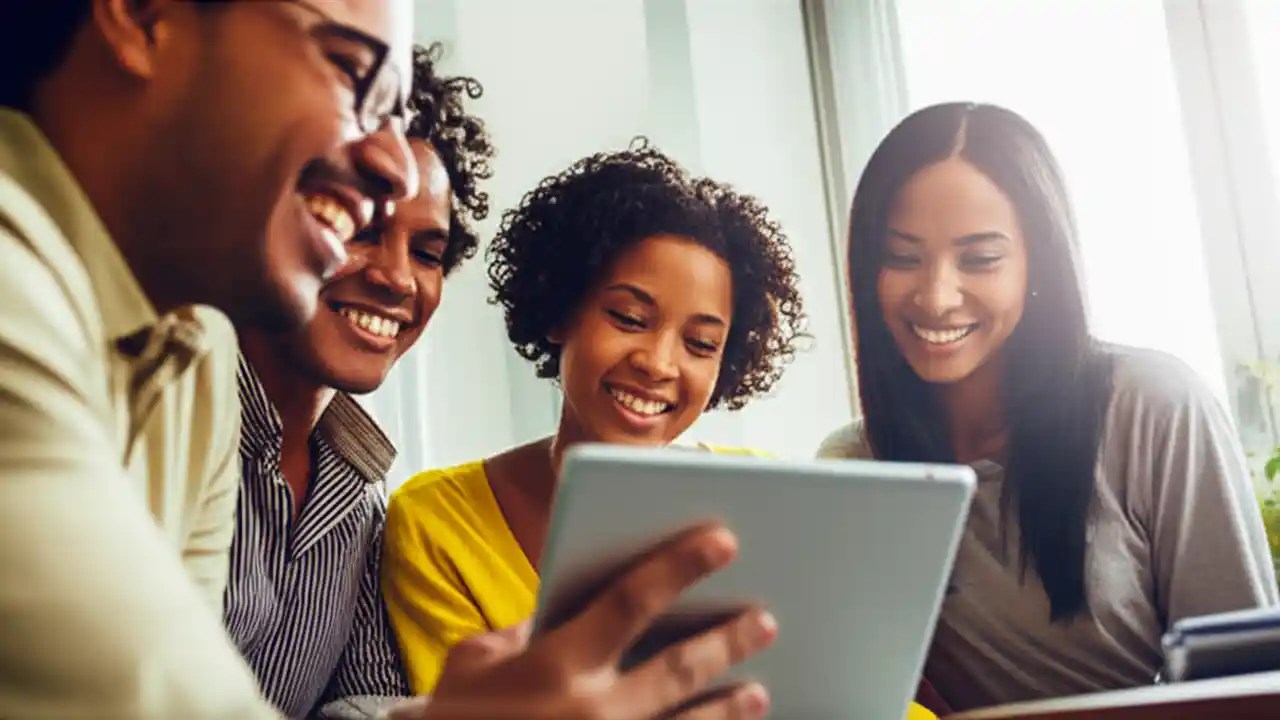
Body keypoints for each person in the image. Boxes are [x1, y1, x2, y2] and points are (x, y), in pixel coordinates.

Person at [0, 2, 777, 718]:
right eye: (345, 68)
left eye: (430, 250)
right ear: (142, 15)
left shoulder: (191, 356)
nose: (385, 164)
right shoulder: (31, 296)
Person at [819, 101, 1279, 711]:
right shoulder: (853, 467)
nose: (935, 295)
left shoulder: (1154, 410)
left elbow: (1249, 686)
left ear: (1041, 263)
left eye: (980, 259)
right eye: (902, 257)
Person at [226, 43, 491, 718]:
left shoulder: (363, 505)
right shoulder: (166, 412)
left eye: (428, 254)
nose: (398, 278)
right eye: (364, 232)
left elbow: (364, 706)